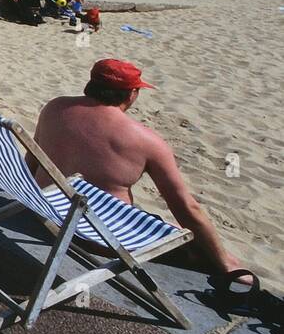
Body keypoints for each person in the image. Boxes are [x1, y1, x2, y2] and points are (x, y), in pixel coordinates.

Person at [31, 59, 249, 284]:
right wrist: (226, 263)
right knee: (201, 247)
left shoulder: (55, 108)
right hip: (99, 238)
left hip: (44, 212)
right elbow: (186, 208)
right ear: (132, 94)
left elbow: (31, 163)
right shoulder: (146, 141)